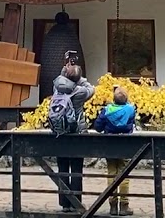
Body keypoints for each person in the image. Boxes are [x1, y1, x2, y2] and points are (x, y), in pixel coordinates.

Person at [52, 62, 94, 213]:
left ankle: (65, 204)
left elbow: (61, 79)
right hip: (77, 133)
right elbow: (91, 89)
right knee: (76, 168)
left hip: (60, 133)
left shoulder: (57, 86)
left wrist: (65, 72)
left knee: (62, 168)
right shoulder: (80, 91)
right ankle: (76, 203)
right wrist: (79, 78)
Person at [92, 86, 137, 217]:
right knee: (124, 175)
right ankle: (124, 205)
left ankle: (112, 205)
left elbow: (98, 127)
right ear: (126, 99)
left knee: (111, 173)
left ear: (114, 99)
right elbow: (132, 123)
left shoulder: (107, 110)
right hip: (125, 145)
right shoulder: (130, 109)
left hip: (109, 146)